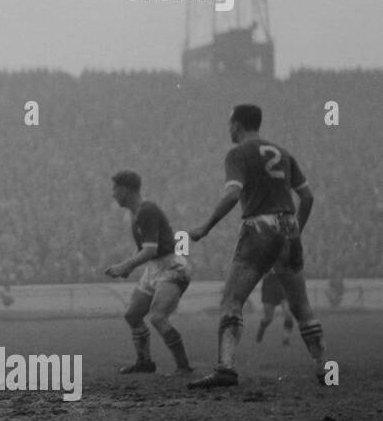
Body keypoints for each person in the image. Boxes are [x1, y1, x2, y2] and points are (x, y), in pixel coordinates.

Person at [187, 104, 328, 388]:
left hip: (259, 227)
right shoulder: (283, 153)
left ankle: (225, 368)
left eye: (229, 125)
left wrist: (205, 227)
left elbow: (232, 194)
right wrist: (296, 227)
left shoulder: (238, 154)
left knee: (231, 300)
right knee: (301, 306)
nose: (229, 130)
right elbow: (308, 197)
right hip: (289, 225)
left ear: (236, 125)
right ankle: (326, 368)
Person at [103, 171, 193, 375]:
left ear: (125, 190)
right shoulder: (137, 213)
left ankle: (183, 366)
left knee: (158, 317)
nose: (113, 194)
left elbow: (151, 249)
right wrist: (129, 266)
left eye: (115, 189)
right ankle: (144, 362)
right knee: (133, 315)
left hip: (171, 268)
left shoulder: (147, 211)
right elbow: (146, 249)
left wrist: (125, 266)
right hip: (155, 268)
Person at [254, 272, 293, 346]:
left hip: (282, 286)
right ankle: (262, 329)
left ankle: (286, 339)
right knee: (268, 318)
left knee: (288, 314)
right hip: (269, 288)